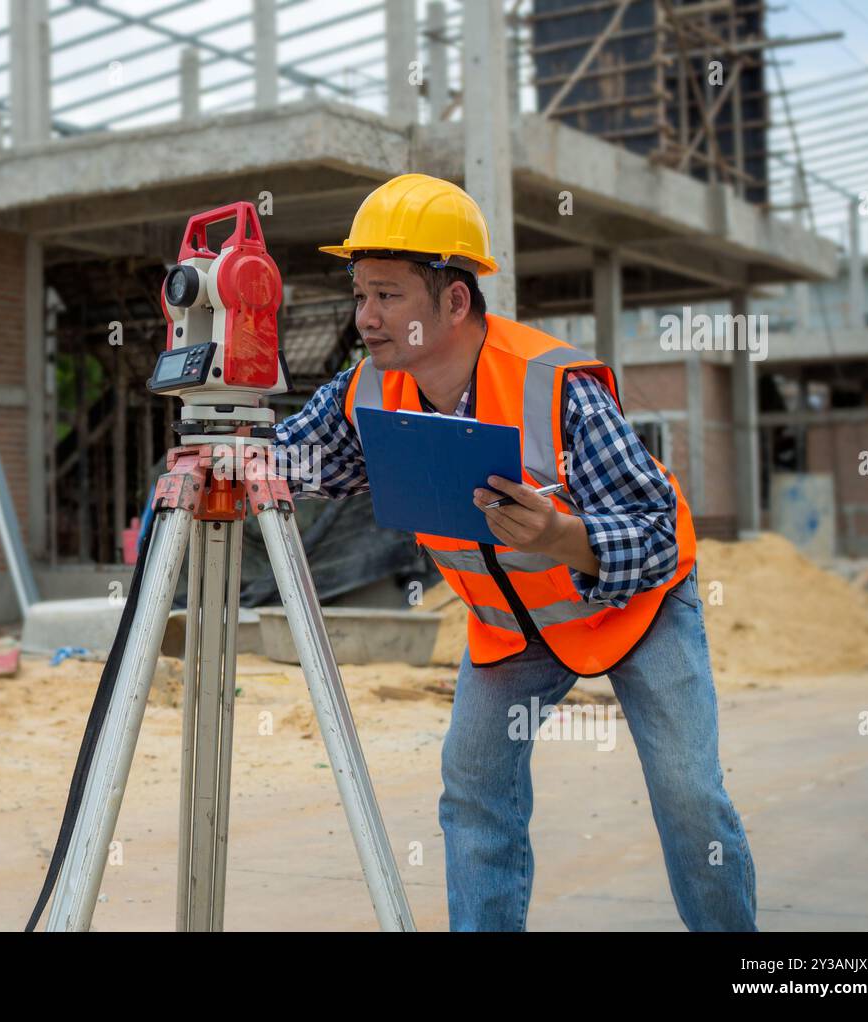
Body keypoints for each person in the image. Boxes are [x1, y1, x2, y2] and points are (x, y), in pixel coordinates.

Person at [274, 173, 757, 931]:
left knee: (689, 798)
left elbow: (658, 536)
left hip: (634, 611)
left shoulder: (552, 386)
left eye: (389, 295)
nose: (365, 317)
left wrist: (565, 536)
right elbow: (295, 457)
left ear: (455, 300)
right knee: (474, 793)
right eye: (360, 293)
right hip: (512, 633)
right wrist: (226, 450)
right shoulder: (368, 391)